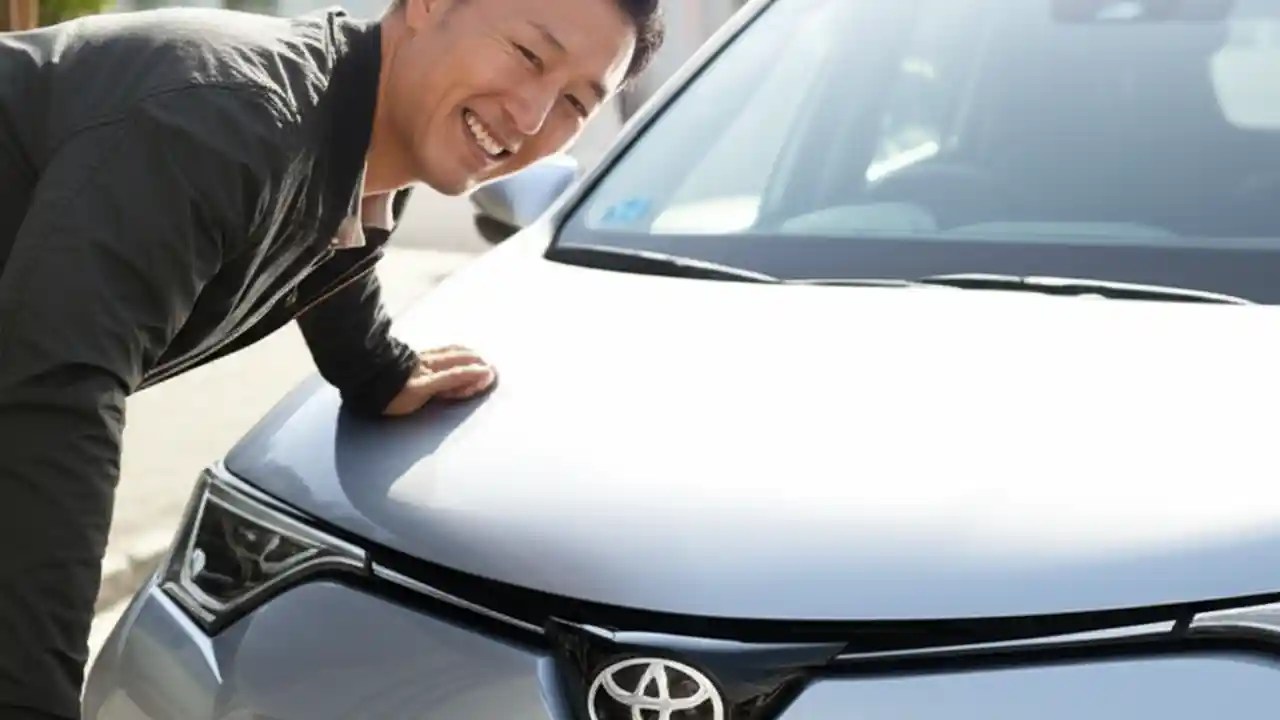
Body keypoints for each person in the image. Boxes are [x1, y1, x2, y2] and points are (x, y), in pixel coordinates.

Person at [0, 0, 663, 715]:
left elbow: (333, 236)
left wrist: (375, 367)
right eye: (529, 55)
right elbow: (55, 396)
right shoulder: (230, 121)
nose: (533, 118)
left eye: (574, 102)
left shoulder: (362, 142)